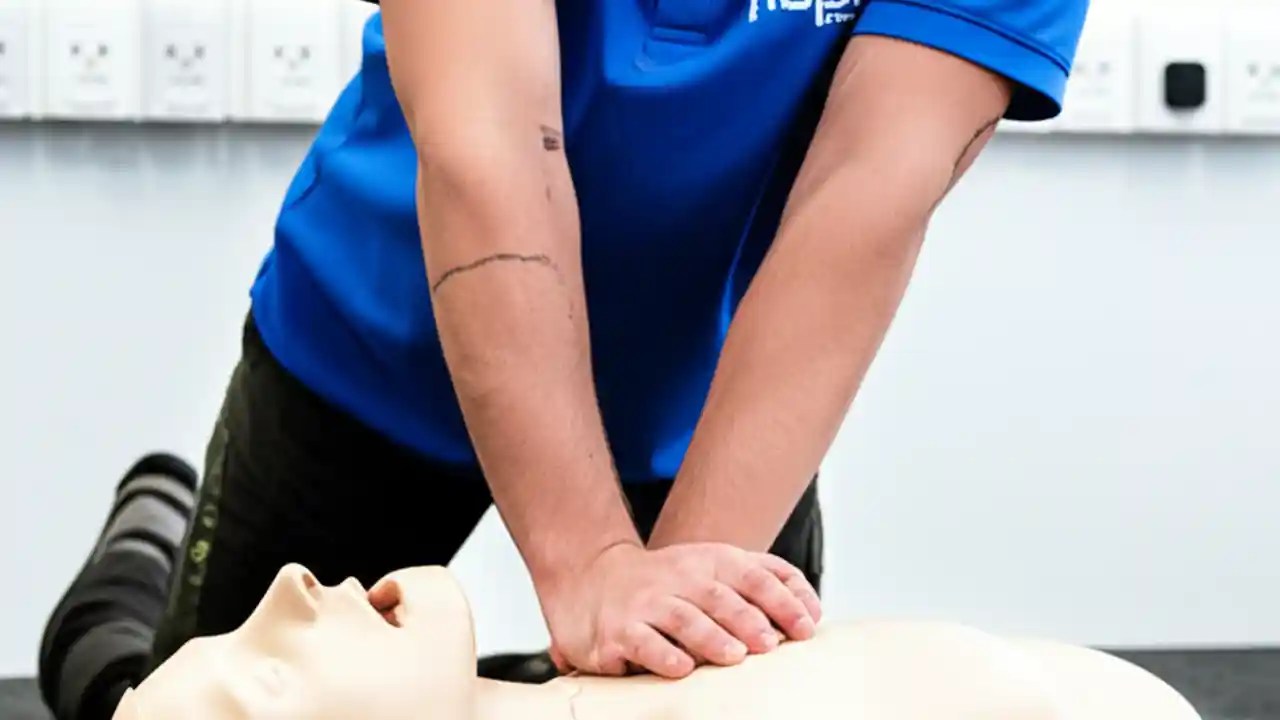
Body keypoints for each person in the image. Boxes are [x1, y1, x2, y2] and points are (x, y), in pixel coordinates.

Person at [109, 0, 1098, 692]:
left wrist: (677, 606)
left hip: (709, 401)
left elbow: (865, 192)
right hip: (377, 348)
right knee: (184, 703)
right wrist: (586, 565)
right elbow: (489, 134)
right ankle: (120, 594)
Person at [40, 470, 1200, 720]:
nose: (284, 593)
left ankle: (136, 561)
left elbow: (872, 183)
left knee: (143, 699)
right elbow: (484, 150)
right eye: (265, 674)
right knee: (129, 700)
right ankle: (121, 619)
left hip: (684, 351)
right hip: (378, 319)